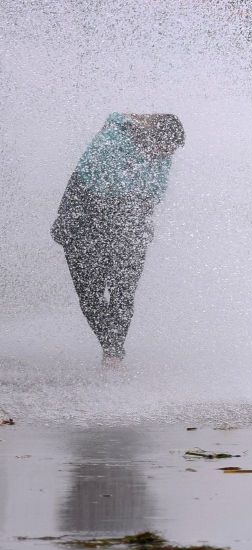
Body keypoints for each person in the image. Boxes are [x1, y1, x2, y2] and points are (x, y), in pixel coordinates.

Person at [51, 113, 185, 366]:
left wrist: (137, 219)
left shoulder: (161, 155)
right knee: (91, 295)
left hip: (129, 231)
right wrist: (136, 207)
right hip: (83, 227)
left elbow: (155, 192)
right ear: (151, 138)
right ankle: (111, 348)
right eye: (166, 147)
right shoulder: (111, 142)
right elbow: (108, 189)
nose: (169, 154)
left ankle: (113, 355)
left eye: (173, 150)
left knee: (123, 293)